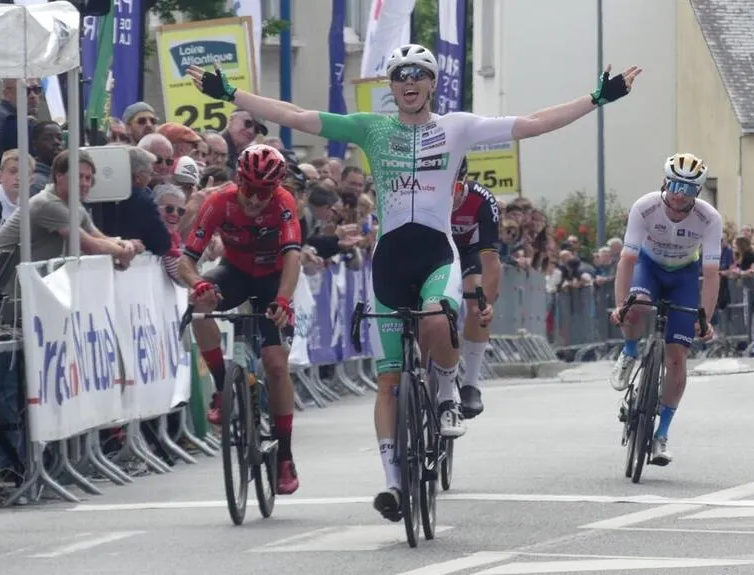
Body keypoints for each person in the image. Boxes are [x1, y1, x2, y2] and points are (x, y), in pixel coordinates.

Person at [187, 43, 641, 523]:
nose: (409, 82)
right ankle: (392, 484)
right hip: (389, 261)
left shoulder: (456, 127)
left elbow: (532, 123)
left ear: (431, 83)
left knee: (434, 321)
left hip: (436, 257)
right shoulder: (372, 128)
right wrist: (232, 93)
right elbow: (295, 116)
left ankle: (446, 395)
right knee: (388, 380)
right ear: (391, 86)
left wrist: (596, 98)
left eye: (418, 74)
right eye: (400, 75)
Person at [177, 144, 303, 495]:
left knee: (275, 364)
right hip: (235, 272)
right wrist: (198, 283)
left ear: (276, 188)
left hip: (272, 280)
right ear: (238, 180)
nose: (256, 199)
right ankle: (223, 387)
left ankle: (285, 455)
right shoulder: (220, 201)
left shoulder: (284, 204)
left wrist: (283, 299)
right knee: (199, 304)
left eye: (265, 192)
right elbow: (186, 260)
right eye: (249, 189)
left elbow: (293, 259)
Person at [608, 153, 721, 467]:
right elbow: (627, 260)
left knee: (676, 358)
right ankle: (630, 351)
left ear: (698, 192)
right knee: (637, 307)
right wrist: (621, 306)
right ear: (664, 182)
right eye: (674, 185)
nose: (679, 194)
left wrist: (705, 319)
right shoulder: (645, 207)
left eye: (688, 188)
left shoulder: (709, 218)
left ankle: (662, 434)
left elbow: (711, 273)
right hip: (649, 268)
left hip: (684, 276)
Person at [449, 158, 502, 419]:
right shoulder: (425, 193)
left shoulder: (482, 199)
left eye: (456, 188)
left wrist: (487, 305)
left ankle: (470, 383)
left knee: (477, 302)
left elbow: (491, 260)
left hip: (470, 252)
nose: (451, 196)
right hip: (436, 251)